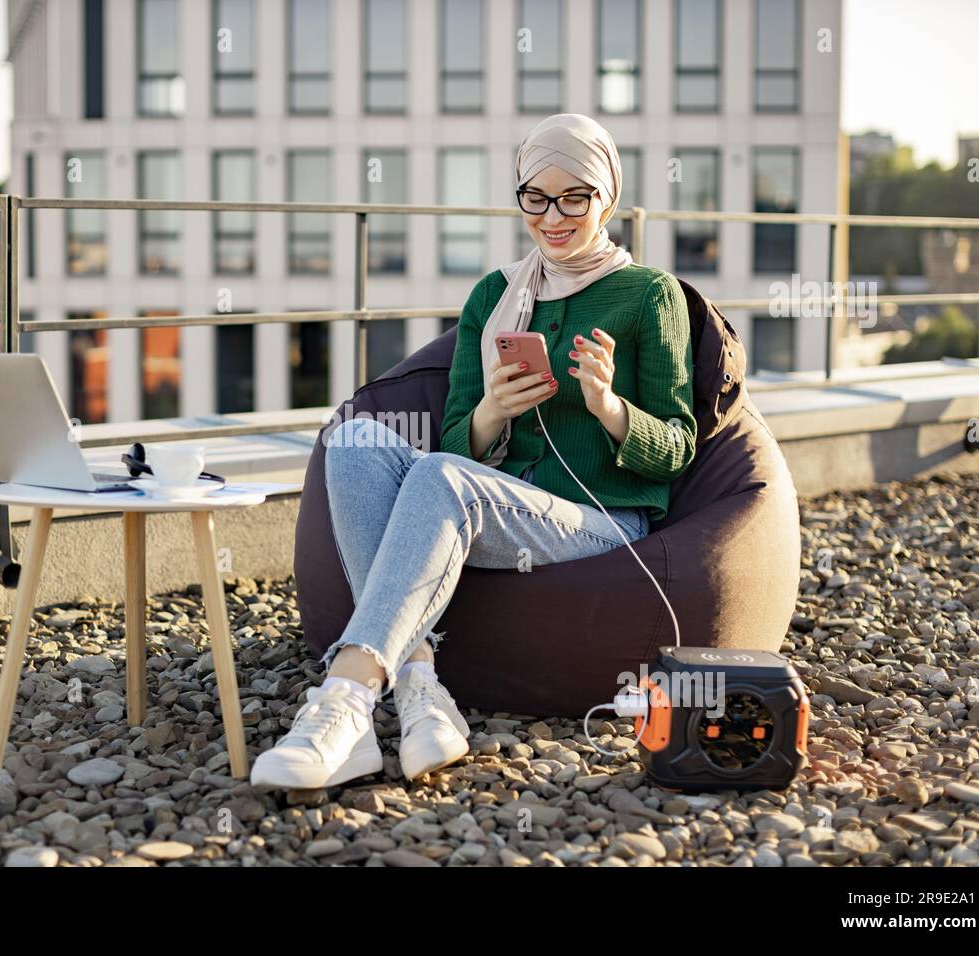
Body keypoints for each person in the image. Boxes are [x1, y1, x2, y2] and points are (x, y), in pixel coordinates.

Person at [250, 113, 697, 791]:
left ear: (607, 195)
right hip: (496, 504)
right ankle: (421, 689)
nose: (553, 216)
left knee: (442, 479)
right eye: (535, 197)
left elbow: (678, 449)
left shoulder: (649, 294)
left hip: (601, 522)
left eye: (574, 196)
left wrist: (609, 407)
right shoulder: (495, 295)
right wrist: (493, 411)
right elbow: (458, 437)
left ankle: (346, 702)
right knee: (357, 440)